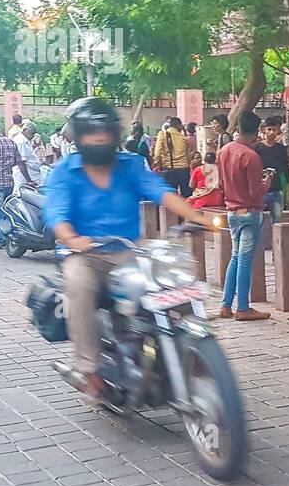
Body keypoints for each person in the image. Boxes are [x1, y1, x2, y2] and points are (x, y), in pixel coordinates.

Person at [43, 97, 215, 398]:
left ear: (114, 134)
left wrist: (197, 216)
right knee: (79, 285)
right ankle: (89, 367)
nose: (99, 139)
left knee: (175, 282)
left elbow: (161, 192)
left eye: (104, 132)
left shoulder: (130, 165)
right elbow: (57, 214)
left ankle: (195, 351)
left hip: (130, 251)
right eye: (91, 133)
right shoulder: (64, 172)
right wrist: (71, 238)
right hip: (87, 255)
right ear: (78, 136)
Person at [215, 110, 272, 322]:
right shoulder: (251, 156)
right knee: (245, 260)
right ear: (256, 132)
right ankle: (243, 307)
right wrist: (267, 182)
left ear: (238, 128)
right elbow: (255, 191)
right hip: (250, 212)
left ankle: (225, 305)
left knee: (236, 258)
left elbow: (220, 184)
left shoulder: (224, 151)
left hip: (232, 212)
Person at [0, 118, 29, 248]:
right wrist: (29, 179)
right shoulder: (10, 141)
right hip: (9, 182)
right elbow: (19, 162)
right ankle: (7, 236)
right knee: (8, 211)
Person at [253, 114, 289, 226]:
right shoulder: (257, 147)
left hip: (276, 189)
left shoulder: (281, 148)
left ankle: (277, 242)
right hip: (260, 190)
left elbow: (285, 166)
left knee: (277, 220)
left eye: (274, 130)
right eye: (269, 129)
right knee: (257, 220)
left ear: (278, 130)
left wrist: (288, 181)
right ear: (264, 130)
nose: (271, 132)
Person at [153, 116, 193, 197]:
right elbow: (188, 156)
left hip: (169, 170)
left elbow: (157, 153)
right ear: (179, 125)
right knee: (187, 195)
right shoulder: (184, 138)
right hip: (184, 170)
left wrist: (158, 165)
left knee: (170, 196)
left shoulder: (162, 134)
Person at [12, 120, 44, 190]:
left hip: (31, 172)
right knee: (22, 193)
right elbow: (21, 163)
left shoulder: (25, 140)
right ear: (25, 130)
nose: (32, 136)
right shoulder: (21, 142)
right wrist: (29, 180)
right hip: (24, 175)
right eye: (32, 133)